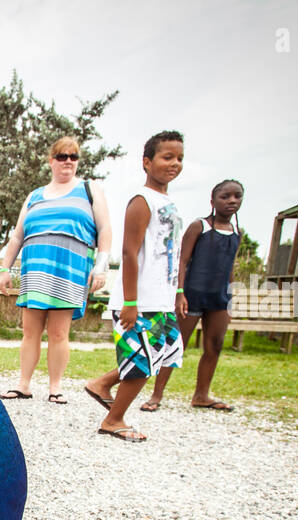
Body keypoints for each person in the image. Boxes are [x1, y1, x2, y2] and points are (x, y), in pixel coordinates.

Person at [83, 131, 185, 442]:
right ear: (147, 162)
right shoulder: (142, 201)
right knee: (142, 362)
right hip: (139, 300)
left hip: (162, 298)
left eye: (179, 158)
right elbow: (129, 252)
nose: (175, 163)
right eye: (167, 157)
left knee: (165, 354)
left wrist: (178, 291)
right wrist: (130, 300)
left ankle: (101, 384)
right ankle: (113, 420)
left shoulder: (168, 202)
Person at [0, 137, 112, 404]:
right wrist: (5, 269)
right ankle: (23, 384)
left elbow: (105, 229)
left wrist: (101, 266)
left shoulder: (88, 189)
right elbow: (17, 237)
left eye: (73, 156)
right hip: (36, 268)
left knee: (59, 332)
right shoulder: (35, 195)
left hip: (69, 268)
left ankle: (55, 387)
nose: (68, 161)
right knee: (30, 331)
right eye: (61, 156)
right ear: (51, 161)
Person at [139, 180, 243, 412]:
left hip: (219, 299)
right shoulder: (200, 227)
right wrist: (179, 293)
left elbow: (230, 266)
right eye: (225, 197)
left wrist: (231, 295)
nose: (232, 201)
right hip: (193, 295)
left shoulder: (237, 232)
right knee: (176, 346)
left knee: (214, 346)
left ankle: (201, 395)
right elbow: (182, 260)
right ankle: (156, 395)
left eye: (237, 196)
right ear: (213, 201)